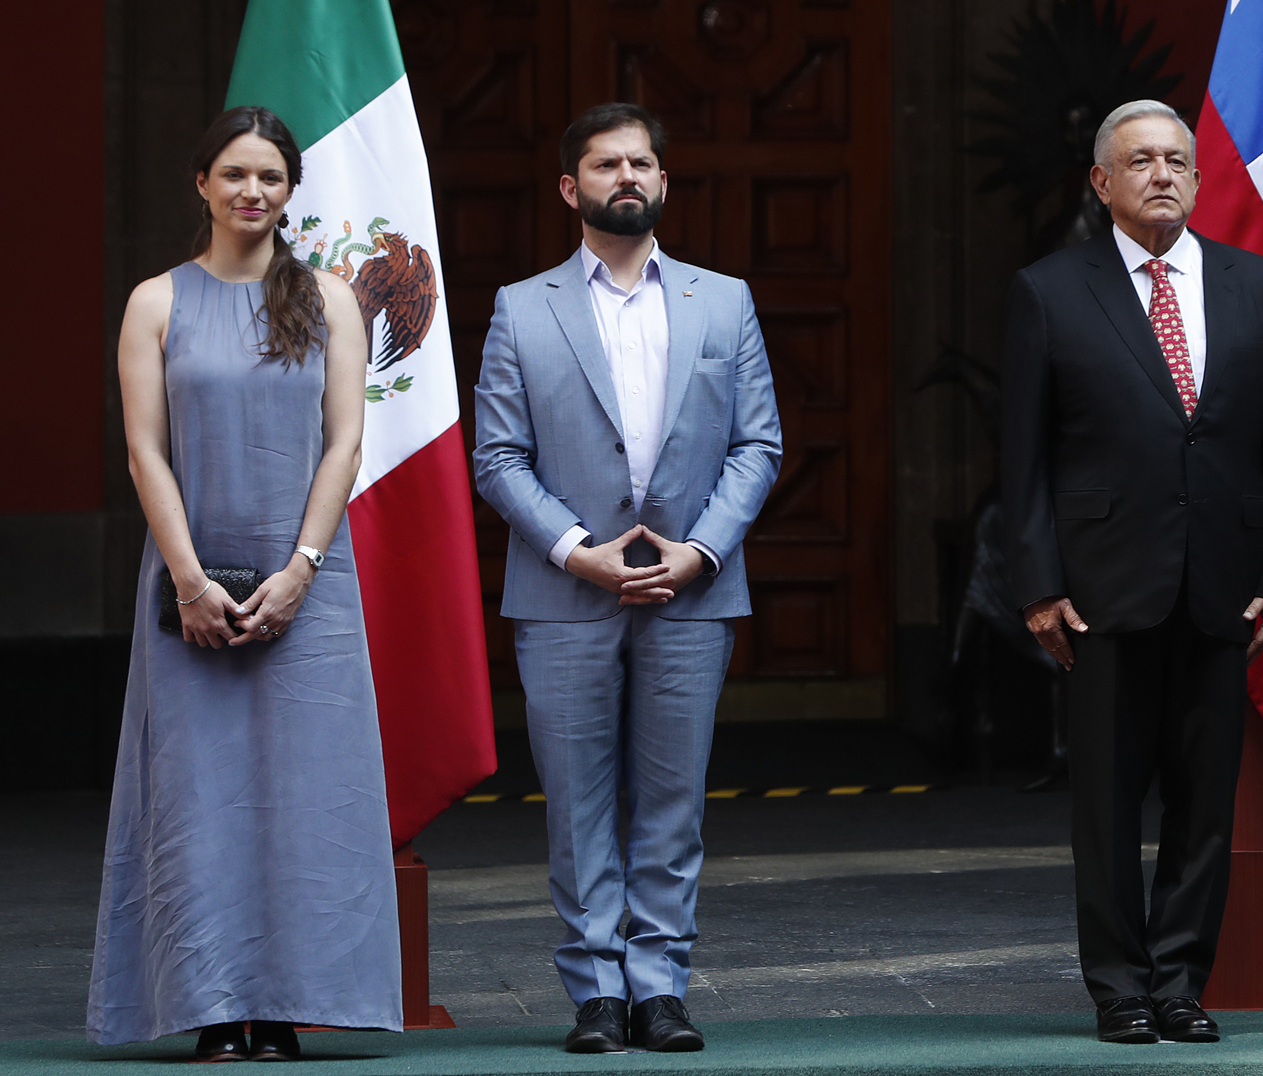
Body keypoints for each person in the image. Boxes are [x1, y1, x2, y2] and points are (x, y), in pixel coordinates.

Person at [90, 107, 400, 1059]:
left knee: (311, 794)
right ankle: (217, 1008)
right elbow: (145, 450)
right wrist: (187, 580)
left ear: (291, 190)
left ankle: (285, 1007)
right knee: (198, 797)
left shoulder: (332, 301)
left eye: (269, 176)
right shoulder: (156, 301)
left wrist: (302, 569)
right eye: (233, 174)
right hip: (191, 587)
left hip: (311, 582)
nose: (251, 191)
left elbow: (345, 442)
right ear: (202, 184)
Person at [472, 103, 781, 1054]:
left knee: (672, 801)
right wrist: (576, 549)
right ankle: (596, 990)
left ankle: (660, 985)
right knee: (575, 802)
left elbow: (757, 445)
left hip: (693, 588)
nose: (628, 177)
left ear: (661, 180)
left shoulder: (722, 299)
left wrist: (702, 551)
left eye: (642, 162)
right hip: (566, 593)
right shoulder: (523, 306)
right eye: (608, 164)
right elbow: (497, 457)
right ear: (573, 188)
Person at [1000, 99, 1263, 1044]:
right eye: (1141, 161)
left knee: (1203, 800)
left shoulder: (1259, 288)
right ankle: (1119, 989)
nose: (1163, 174)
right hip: (1099, 590)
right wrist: (1038, 581)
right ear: (1102, 182)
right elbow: (1025, 458)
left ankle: (1180, 981)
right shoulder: (1050, 290)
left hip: (1220, 584)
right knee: (1105, 801)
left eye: (1178, 160)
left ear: (1199, 177)